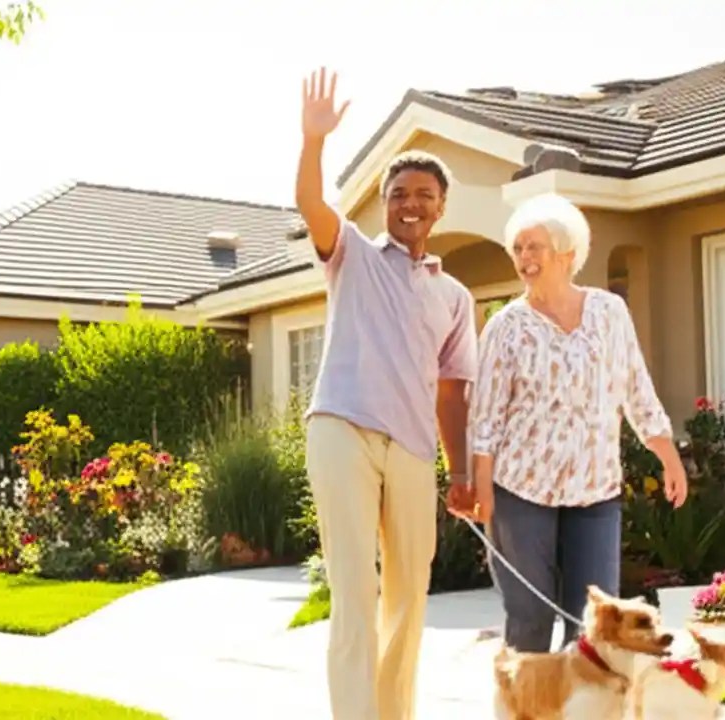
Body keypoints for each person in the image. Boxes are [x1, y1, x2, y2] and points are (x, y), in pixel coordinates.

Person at [297, 67, 477, 720]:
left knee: (409, 595)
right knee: (355, 589)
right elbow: (312, 205)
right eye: (399, 193)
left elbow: (452, 393)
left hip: (412, 448)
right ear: (383, 202)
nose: (411, 203)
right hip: (341, 427)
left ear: (441, 206)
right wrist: (314, 140)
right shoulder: (351, 253)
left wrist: (462, 474)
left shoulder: (454, 296)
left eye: (424, 194)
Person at [456, 192, 689, 653]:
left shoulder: (609, 312)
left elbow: (636, 387)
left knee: (596, 625)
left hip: (595, 489)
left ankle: (586, 695)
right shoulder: (506, 326)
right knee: (531, 616)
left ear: (566, 253)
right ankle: (526, 693)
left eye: (534, 247)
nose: (524, 257)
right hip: (521, 490)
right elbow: (485, 417)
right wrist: (482, 489)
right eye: (517, 248)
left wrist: (669, 456)